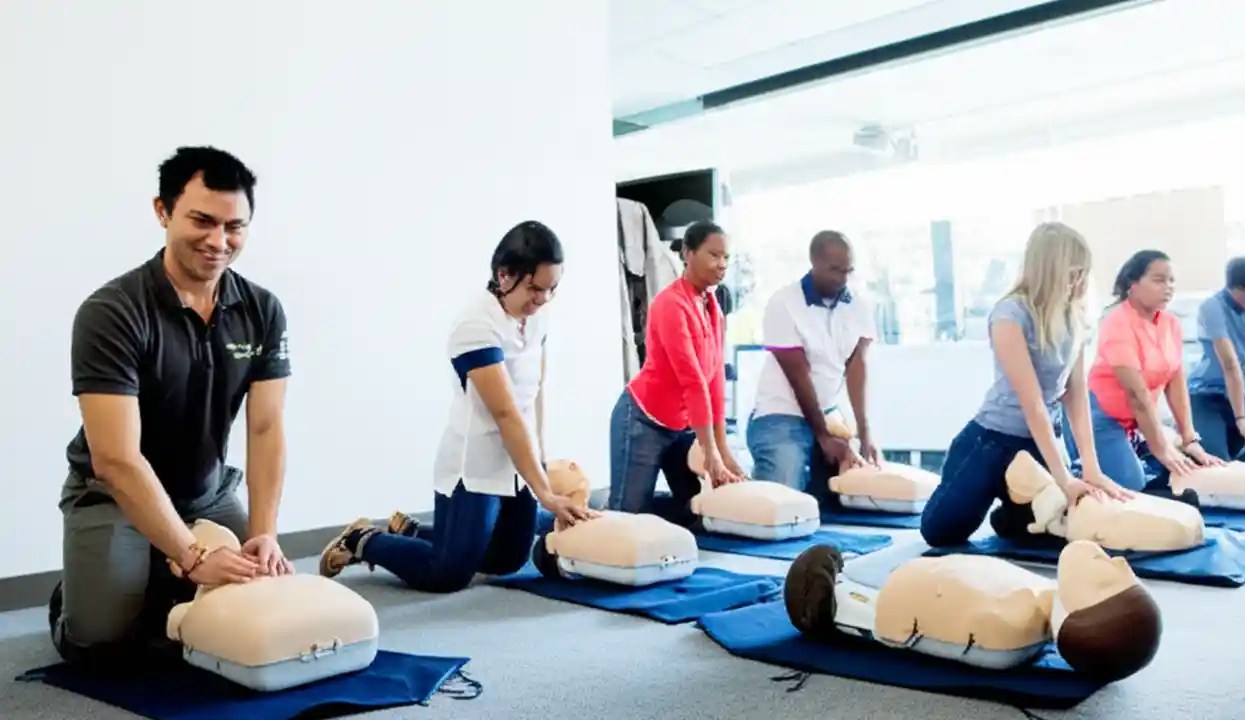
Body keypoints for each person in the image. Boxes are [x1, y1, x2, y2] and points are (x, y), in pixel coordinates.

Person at [51, 146, 293, 667]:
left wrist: (266, 531)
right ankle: (79, 591)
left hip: (205, 492)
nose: (218, 241)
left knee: (266, 601)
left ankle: (155, 571)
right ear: (162, 211)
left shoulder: (263, 310)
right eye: (202, 221)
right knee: (101, 643)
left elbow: (267, 429)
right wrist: (192, 554)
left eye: (235, 226)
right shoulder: (111, 313)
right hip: (112, 494)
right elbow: (115, 460)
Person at [319, 221, 596, 591]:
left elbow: (536, 392)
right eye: (534, 288)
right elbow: (505, 413)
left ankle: (412, 530)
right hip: (475, 463)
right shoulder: (474, 324)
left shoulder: (537, 318)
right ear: (504, 276)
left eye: (551, 290)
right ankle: (363, 539)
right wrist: (545, 492)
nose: (542, 299)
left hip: (518, 459)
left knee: (507, 560)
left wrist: (540, 460)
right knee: (448, 574)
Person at [919, 222, 1130, 548]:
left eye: (1084, 272)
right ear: (1051, 269)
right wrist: (1063, 478)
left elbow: (1076, 396)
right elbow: (1031, 403)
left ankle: (1010, 512)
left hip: (1039, 442)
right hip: (991, 441)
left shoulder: (1074, 316)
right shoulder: (1010, 314)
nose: (1081, 281)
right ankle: (990, 489)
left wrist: (1090, 467)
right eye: (1074, 272)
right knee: (940, 533)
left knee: (1060, 526)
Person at [607, 220, 747, 523]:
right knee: (627, 517)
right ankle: (586, 516)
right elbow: (693, 381)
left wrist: (723, 452)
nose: (721, 265)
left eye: (726, 258)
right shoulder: (670, 304)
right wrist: (710, 454)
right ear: (687, 253)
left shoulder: (714, 309)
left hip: (680, 426)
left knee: (697, 510)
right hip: (643, 420)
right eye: (713, 255)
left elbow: (714, 382)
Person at [1065, 250, 1226, 492]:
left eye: (1171, 281)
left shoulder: (1171, 324)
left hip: (1135, 422)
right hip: (1099, 419)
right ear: (1133, 284)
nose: (1168, 287)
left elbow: (1176, 381)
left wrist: (1189, 438)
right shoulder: (1117, 323)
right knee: (1133, 487)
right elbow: (1137, 395)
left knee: (1186, 468)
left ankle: (1140, 456)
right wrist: (1162, 450)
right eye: (1159, 280)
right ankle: (1079, 473)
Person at [747, 230, 880, 497]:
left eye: (848, 271)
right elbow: (799, 376)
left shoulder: (859, 305)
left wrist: (865, 434)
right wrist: (823, 436)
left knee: (856, 487)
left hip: (830, 414)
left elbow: (857, 369)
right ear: (814, 261)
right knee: (783, 497)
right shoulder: (784, 302)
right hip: (781, 414)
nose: (842, 279)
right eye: (834, 270)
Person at [1185, 257, 1245, 465]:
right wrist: (1242, 420)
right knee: (1215, 461)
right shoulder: (1212, 307)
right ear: (1232, 290)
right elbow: (1230, 364)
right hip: (1209, 394)